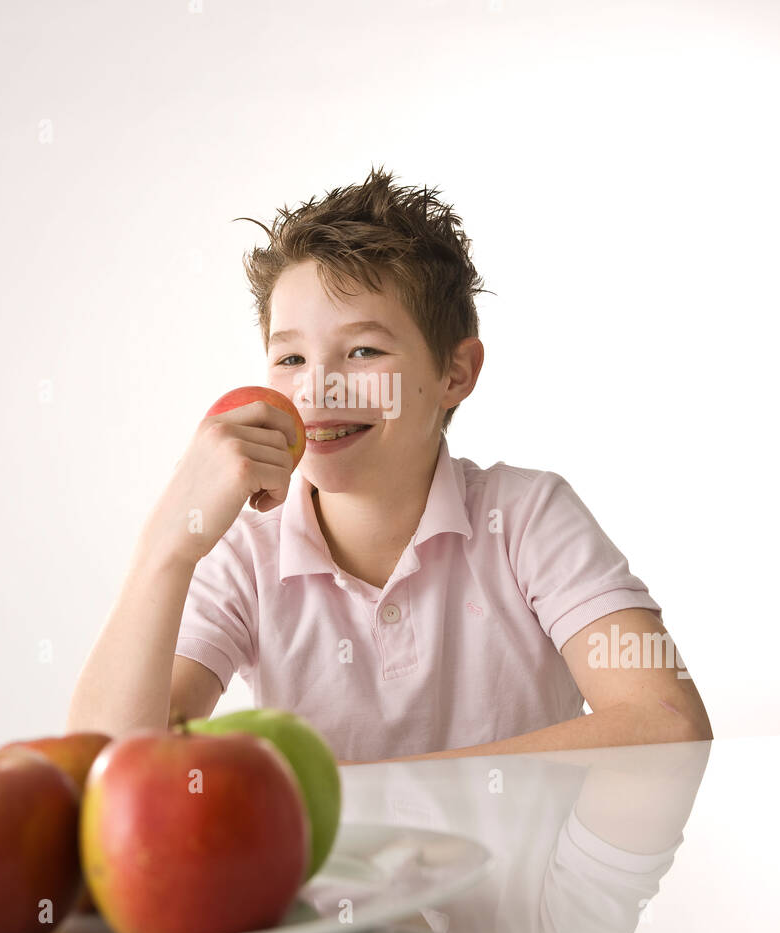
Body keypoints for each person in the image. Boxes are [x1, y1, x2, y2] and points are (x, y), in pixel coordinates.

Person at [67, 166, 712, 762]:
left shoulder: (527, 518)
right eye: (290, 359)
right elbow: (105, 764)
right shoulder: (244, 556)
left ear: (456, 372)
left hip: (519, 891)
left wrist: (392, 792)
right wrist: (166, 549)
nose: (317, 389)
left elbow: (667, 722)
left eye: (364, 350)